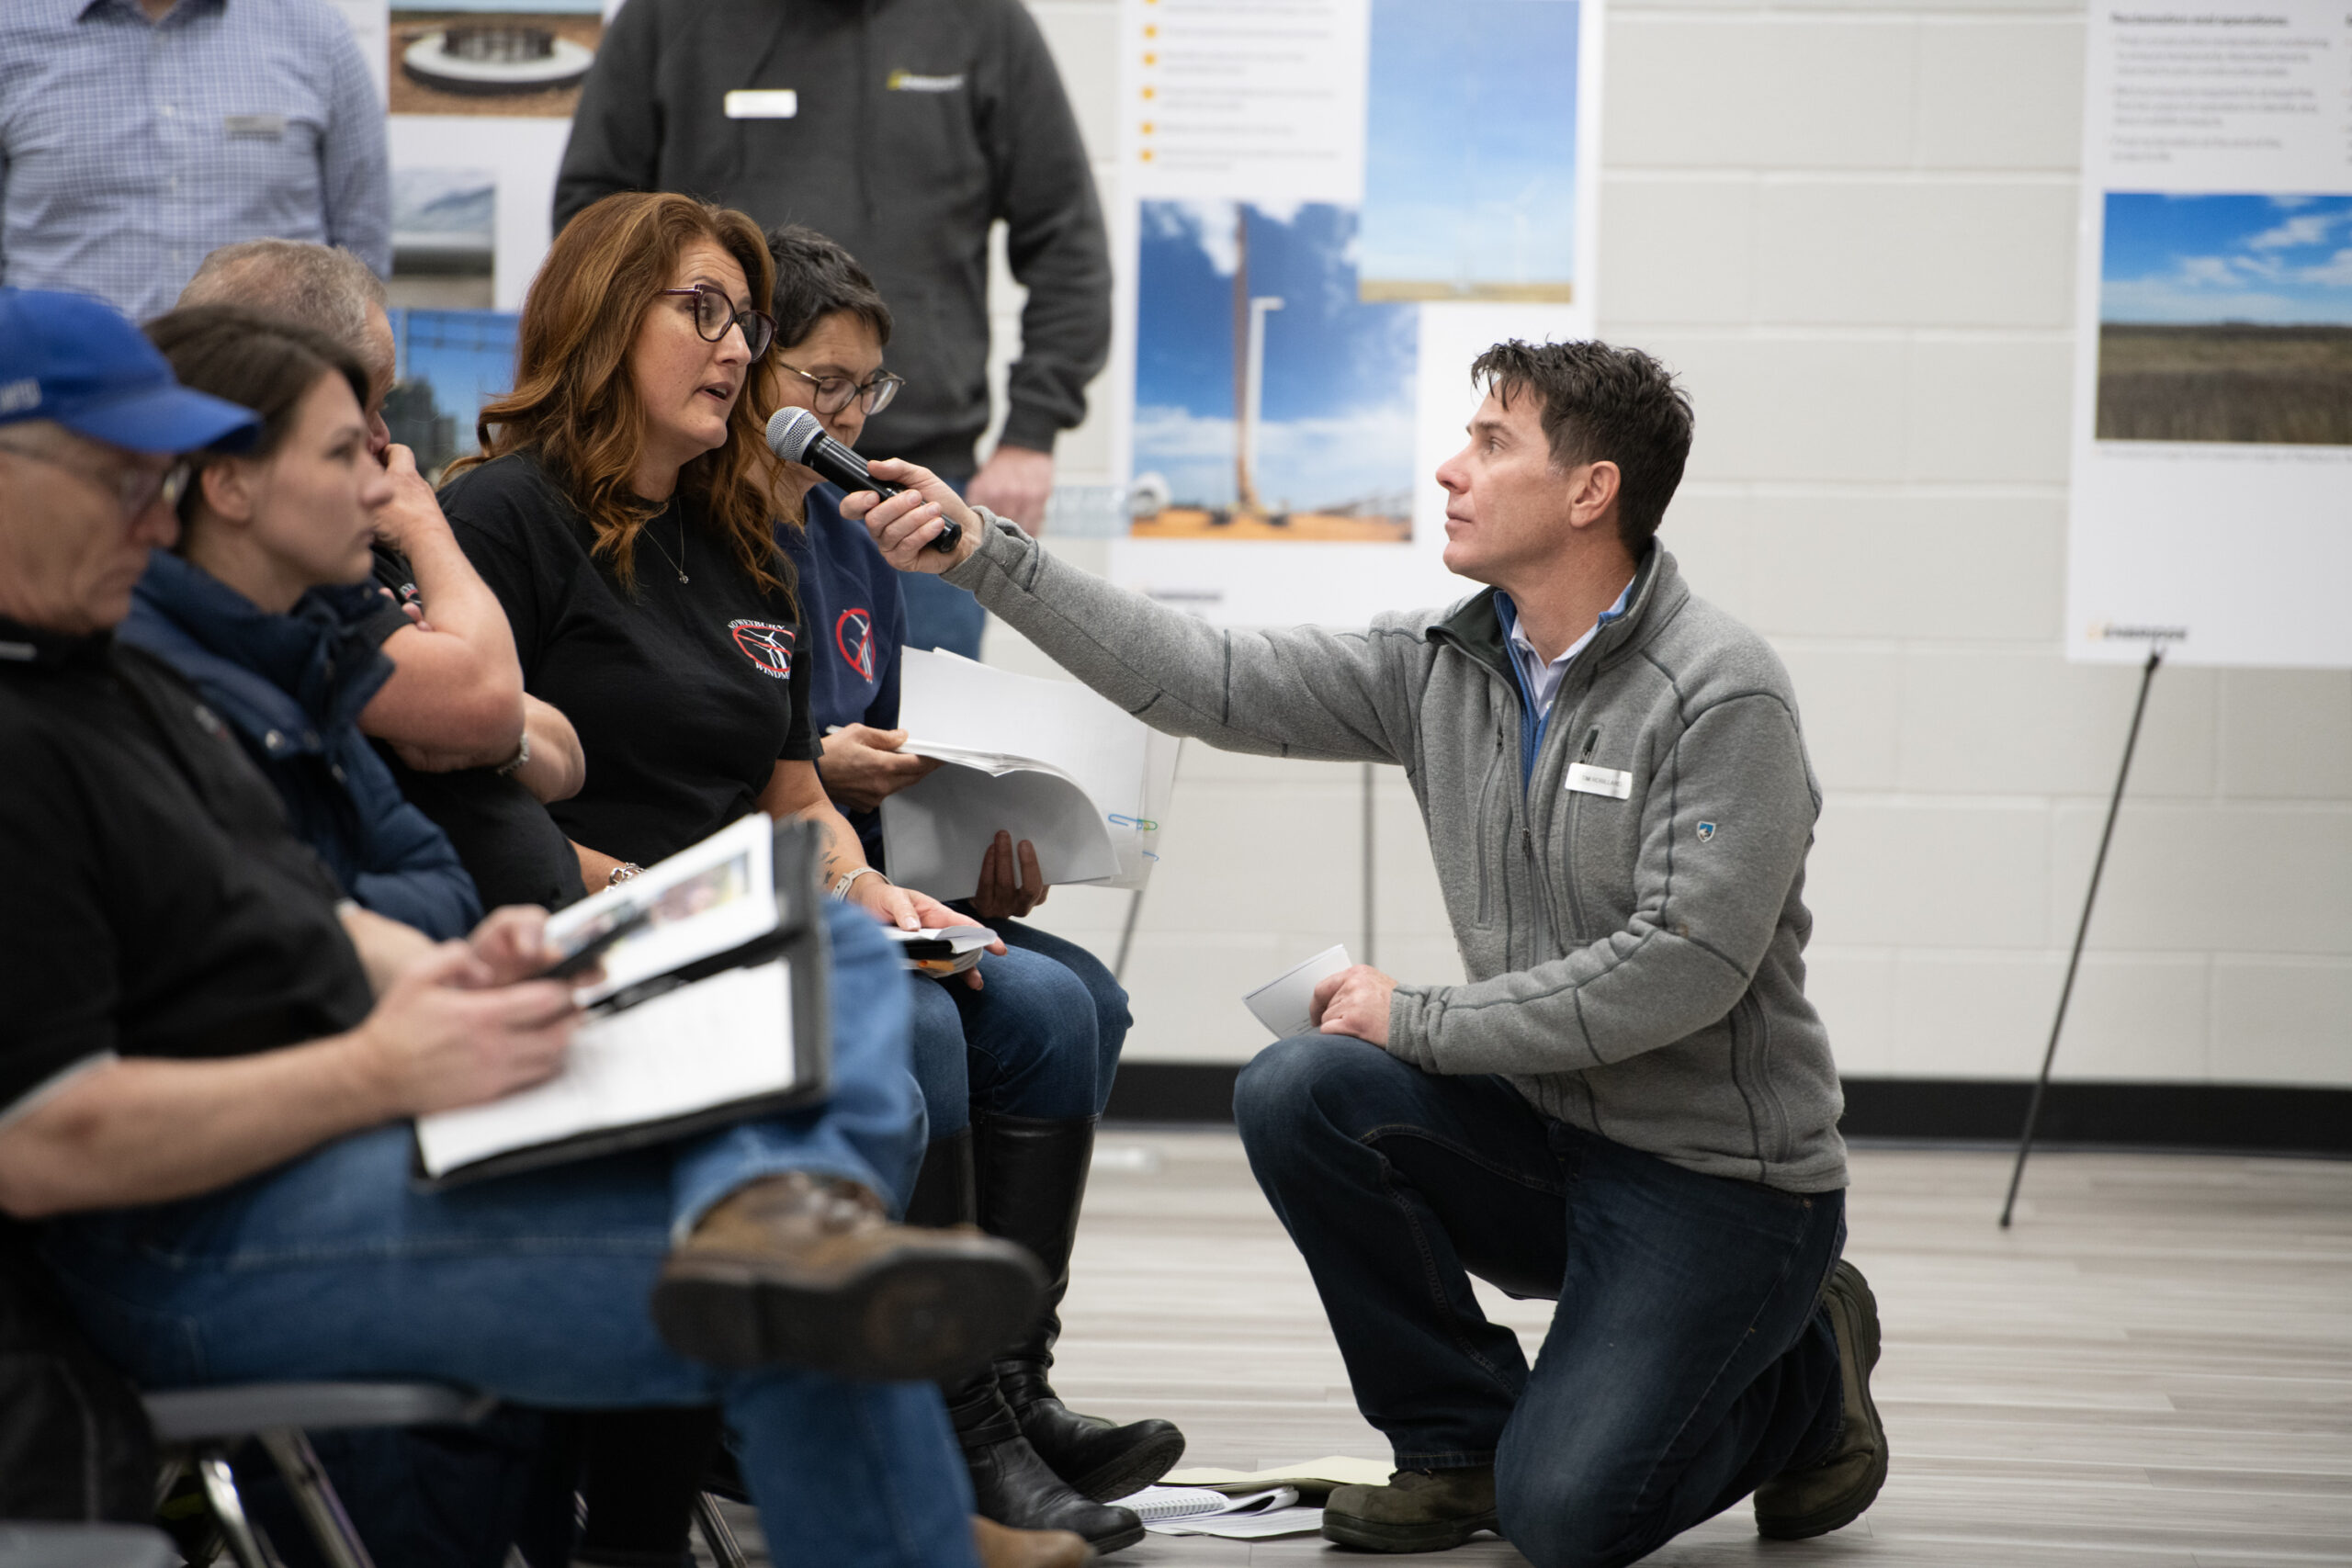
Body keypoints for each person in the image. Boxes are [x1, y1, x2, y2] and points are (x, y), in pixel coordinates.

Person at [0, 285, 1069, 1568]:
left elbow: (325, 911)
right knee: (795, 1290)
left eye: (158, 472)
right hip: (197, 1228)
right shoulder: (50, 728)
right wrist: (389, 1056)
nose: (149, 507)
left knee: (815, 959)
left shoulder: (118, 677)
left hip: (371, 1113)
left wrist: (475, 967)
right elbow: (41, 1142)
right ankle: (818, 1325)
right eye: (121, 474)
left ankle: (785, 1237)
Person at [852, 339, 1891, 1567]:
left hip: (1720, 1184)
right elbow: (1208, 678)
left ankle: (1807, 1371)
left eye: (1491, 442)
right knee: (1302, 1087)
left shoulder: (1720, 691)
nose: (1451, 468)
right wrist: (986, 555)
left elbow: (1680, 967)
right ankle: (1456, 1444)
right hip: (1553, 1140)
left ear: (1589, 491)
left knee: (1566, 1517)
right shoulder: (1448, 663)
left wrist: (1424, 1019)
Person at [761, 224, 1176, 1551]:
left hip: (872, 877)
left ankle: (1009, 1381)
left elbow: (895, 755)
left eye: (864, 390)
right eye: (821, 384)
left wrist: (977, 840)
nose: (844, 418)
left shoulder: (855, 538)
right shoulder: (702, 529)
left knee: (1083, 997)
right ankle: (960, 1413)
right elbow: (726, 752)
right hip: (770, 887)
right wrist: (820, 768)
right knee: (980, 1015)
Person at [551, 0, 1112, 659]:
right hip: (699, 480)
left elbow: (1068, 242)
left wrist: (1031, 433)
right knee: (711, 741)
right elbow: (594, 236)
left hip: (910, 484)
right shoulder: (666, 18)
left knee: (915, 747)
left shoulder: (983, 21)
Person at [178, 239, 591, 913]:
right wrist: (426, 524)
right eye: (347, 434)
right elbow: (486, 693)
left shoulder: (352, 554)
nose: (385, 444)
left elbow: (566, 752)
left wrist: (498, 735)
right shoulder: (298, 581)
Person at [117, 305, 481, 941]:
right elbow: (266, 934)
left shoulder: (300, 640)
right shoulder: (142, 685)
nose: (376, 488)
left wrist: (341, 911)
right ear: (230, 486)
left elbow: (445, 883)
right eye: (341, 454)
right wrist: (348, 919)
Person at [0, 0, 390, 322]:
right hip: (65, 397)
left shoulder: (316, 31)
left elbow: (361, 257)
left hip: (275, 395)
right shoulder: (10, 31)